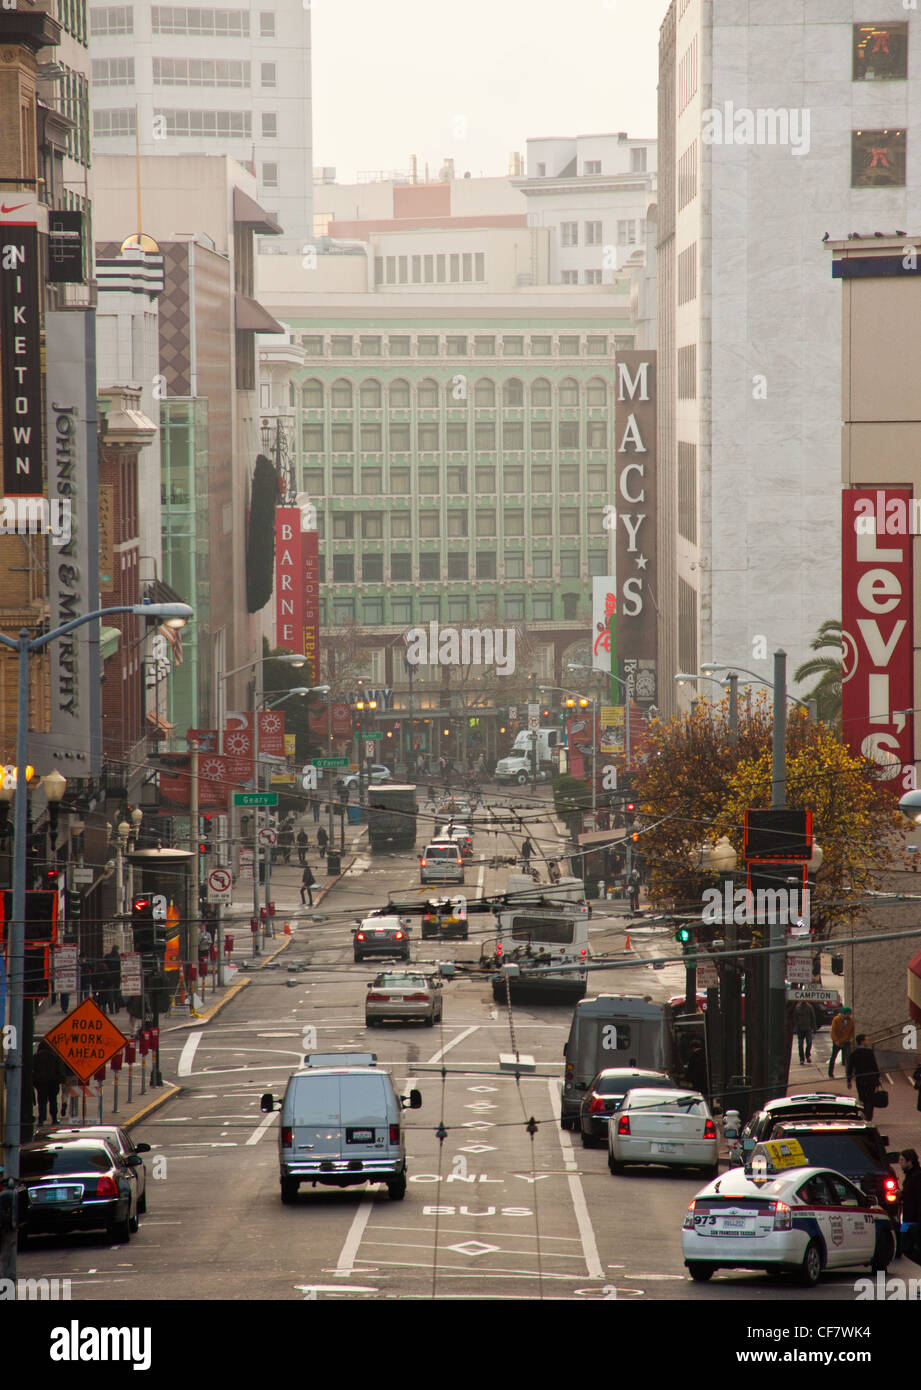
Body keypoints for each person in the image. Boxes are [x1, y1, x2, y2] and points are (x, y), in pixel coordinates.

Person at [847, 1033, 882, 1121]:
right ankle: (869, 1117)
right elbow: (874, 1066)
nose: (868, 1041)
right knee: (870, 1098)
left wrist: (849, 1080)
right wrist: (877, 1079)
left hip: (860, 1079)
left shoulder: (854, 1054)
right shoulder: (869, 1052)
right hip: (871, 1079)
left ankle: (864, 1115)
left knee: (862, 1097)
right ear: (862, 1042)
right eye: (866, 1040)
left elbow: (850, 1068)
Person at [33, 1040, 64, 1126]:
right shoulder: (54, 1056)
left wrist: (34, 1081)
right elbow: (59, 1070)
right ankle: (54, 1119)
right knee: (53, 1101)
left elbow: (32, 1070)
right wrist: (60, 1080)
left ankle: (41, 1119)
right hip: (53, 1083)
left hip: (40, 1083)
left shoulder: (36, 1056)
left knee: (42, 1101)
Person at [899, 1149, 921, 1269]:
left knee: (911, 1248)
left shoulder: (917, 1176)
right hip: (907, 1220)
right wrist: (901, 1195)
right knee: (905, 1248)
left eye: (902, 1160)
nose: (900, 1163)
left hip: (914, 1221)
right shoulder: (909, 1177)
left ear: (910, 1161)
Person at [828, 1004, 855, 1079]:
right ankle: (830, 1073)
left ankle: (849, 1074)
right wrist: (835, 1040)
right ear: (844, 1013)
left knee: (848, 1057)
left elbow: (852, 1032)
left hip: (846, 1041)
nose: (849, 1015)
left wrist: (849, 1039)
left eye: (850, 1014)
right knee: (833, 1057)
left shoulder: (851, 1021)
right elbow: (833, 1031)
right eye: (848, 1014)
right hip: (837, 1041)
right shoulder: (836, 1019)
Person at [793, 996, 818, 1065]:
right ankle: (801, 1058)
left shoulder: (809, 1007)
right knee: (800, 1045)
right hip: (800, 1028)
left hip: (808, 1028)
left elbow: (813, 1017)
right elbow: (794, 1018)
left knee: (809, 1042)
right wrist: (795, 1027)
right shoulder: (797, 1007)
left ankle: (807, 1055)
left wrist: (814, 1028)